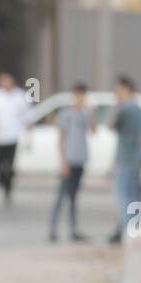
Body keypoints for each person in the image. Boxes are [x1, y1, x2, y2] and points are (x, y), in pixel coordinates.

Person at [108, 75, 141, 244]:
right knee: (134, 196)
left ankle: (128, 234)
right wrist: (136, 143)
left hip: (124, 159)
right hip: (136, 157)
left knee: (123, 196)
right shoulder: (139, 108)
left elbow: (111, 124)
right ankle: (135, 230)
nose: (115, 92)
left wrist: (116, 106)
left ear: (125, 89)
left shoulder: (124, 109)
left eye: (117, 89)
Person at [48, 82, 92, 243]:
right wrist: (63, 162)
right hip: (69, 159)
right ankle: (52, 229)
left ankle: (73, 229)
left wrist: (90, 112)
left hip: (80, 159)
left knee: (74, 197)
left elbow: (93, 130)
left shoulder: (85, 114)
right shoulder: (65, 114)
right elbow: (60, 139)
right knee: (60, 196)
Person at [0, 71, 30, 206]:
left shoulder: (20, 96)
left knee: (9, 165)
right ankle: (2, 180)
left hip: (13, 136)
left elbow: (27, 113)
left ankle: (8, 189)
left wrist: (26, 125)